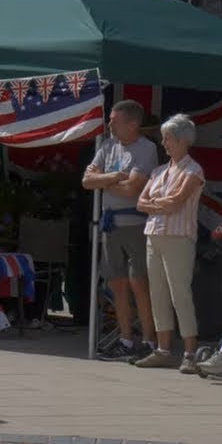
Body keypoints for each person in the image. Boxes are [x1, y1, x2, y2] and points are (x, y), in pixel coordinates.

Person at [83, 100, 159, 362]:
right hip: (110, 224)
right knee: (116, 283)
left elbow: (133, 189)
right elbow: (86, 181)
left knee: (139, 283)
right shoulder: (108, 145)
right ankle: (126, 340)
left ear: (133, 123)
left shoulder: (146, 149)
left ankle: (149, 340)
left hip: (135, 224)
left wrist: (104, 180)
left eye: (115, 120)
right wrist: (116, 177)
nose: (109, 124)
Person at [135, 113, 205, 373]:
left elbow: (178, 202)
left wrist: (157, 205)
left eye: (169, 139)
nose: (164, 144)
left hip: (178, 237)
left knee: (180, 293)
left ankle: (190, 353)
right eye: (164, 139)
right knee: (158, 293)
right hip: (154, 235)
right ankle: (163, 350)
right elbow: (140, 203)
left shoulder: (193, 170)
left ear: (184, 141)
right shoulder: (158, 171)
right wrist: (161, 205)